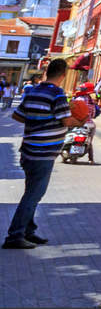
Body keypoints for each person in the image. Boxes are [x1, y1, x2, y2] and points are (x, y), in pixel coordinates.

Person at [6, 59, 82, 249]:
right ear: (63, 74)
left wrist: (37, 119)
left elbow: (17, 116)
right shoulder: (57, 94)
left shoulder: (33, 91)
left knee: (31, 191)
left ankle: (28, 231)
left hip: (28, 150)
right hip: (43, 153)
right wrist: (80, 120)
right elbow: (65, 121)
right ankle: (15, 236)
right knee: (33, 195)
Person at [72, 81, 100, 165]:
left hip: (79, 123)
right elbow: (94, 114)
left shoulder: (78, 99)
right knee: (89, 142)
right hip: (90, 124)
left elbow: (73, 111)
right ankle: (91, 159)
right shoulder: (92, 102)